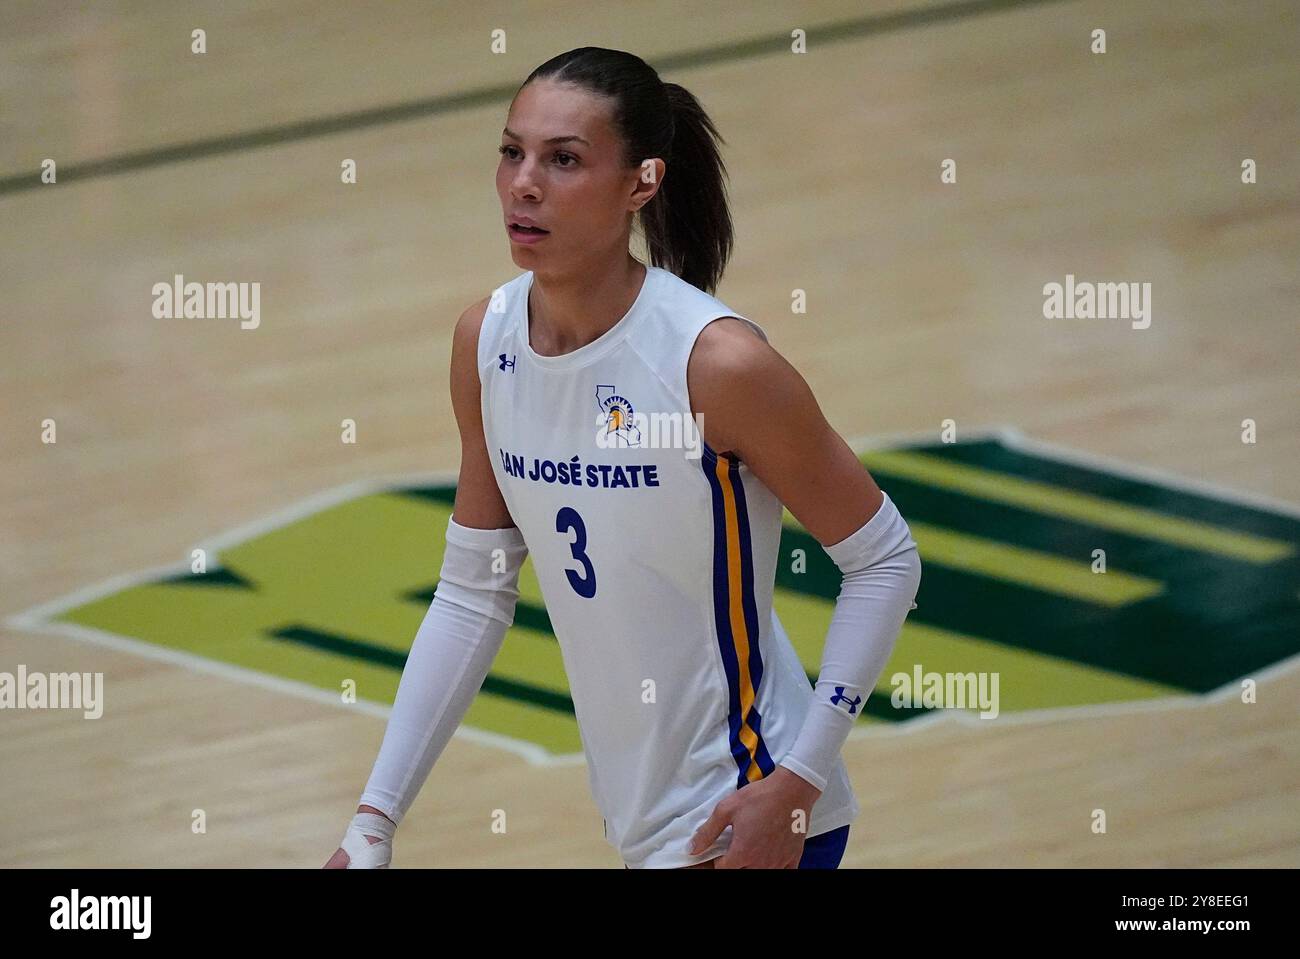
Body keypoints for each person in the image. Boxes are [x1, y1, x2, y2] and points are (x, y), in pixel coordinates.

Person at [326, 46, 921, 870]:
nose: (523, 184)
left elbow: (885, 558)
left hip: (745, 809)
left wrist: (800, 780)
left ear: (641, 182)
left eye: (563, 159)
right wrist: (374, 820)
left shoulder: (716, 365)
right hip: (639, 820)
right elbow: (471, 594)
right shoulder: (485, 342)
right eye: (512, 152)